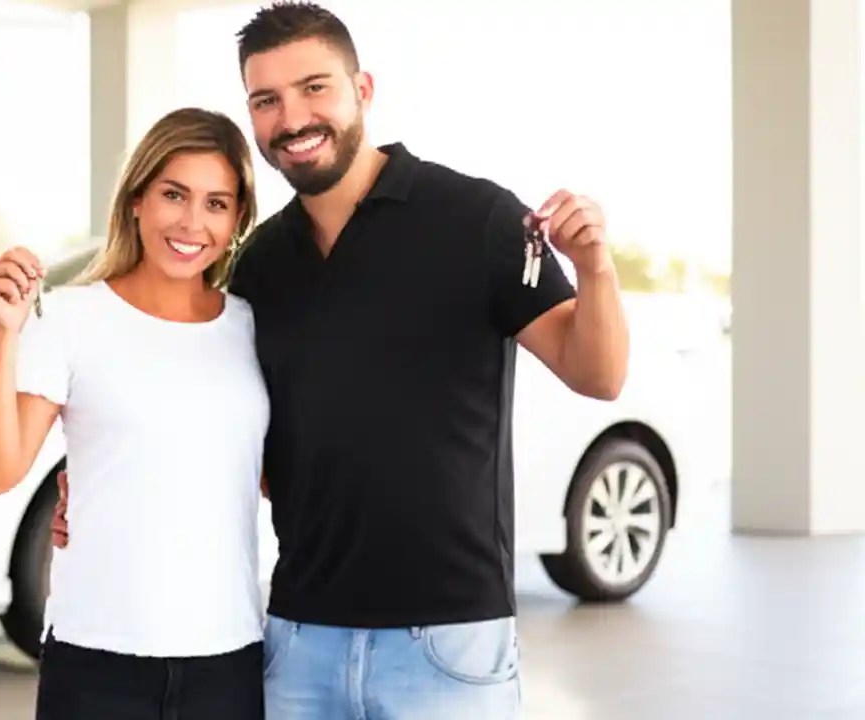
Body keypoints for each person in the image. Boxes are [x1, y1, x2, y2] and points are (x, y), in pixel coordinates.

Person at [53, 2, 631, 718]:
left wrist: (596, 268)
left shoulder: (475, 219)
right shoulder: (258, 265)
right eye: (266, 100)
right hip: (299, 641)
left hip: (446, 643)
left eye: (314, 87)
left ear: (363, 89)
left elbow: (596, 374)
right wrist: (102, 493)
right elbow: (220, 424)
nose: (292, 117)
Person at [0, 106, 268, 720]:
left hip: (228, 659)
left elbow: (269, 476)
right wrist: (4, 335)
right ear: (136, 199)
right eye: (173, 195)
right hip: (96, 659)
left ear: (238, 218)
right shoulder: (72, 320)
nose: (191, 222)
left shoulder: (253, 327)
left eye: (216, 203)